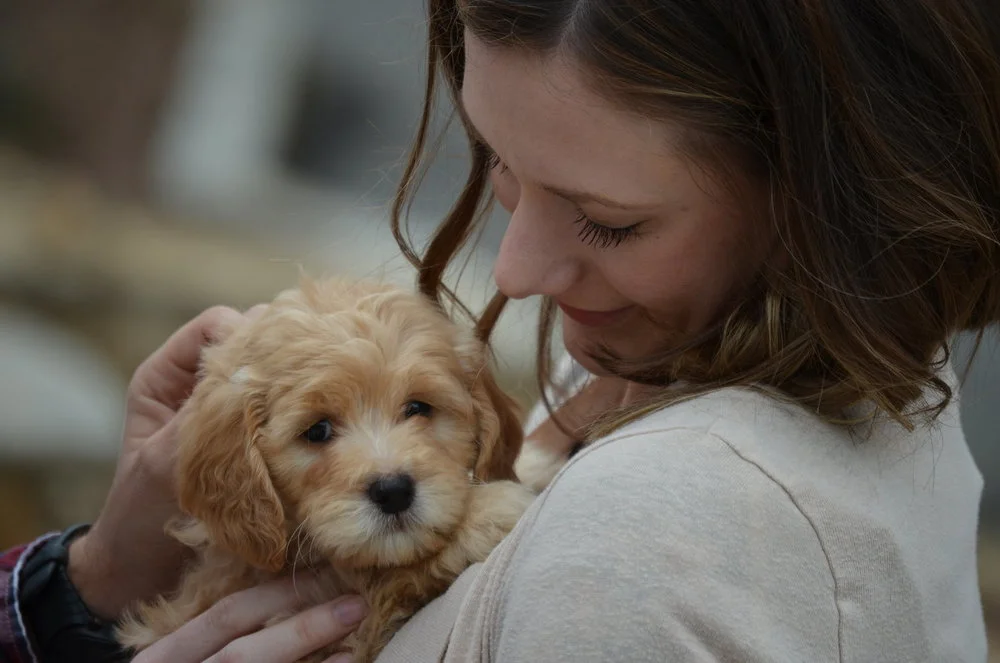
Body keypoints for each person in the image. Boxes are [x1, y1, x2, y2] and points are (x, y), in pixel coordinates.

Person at [3, 0, 999, 660]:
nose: (513, 272)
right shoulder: (902, 400)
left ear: (815, 194)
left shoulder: (650, 527)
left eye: (610, 220)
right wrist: (78, 591)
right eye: (499, 170)